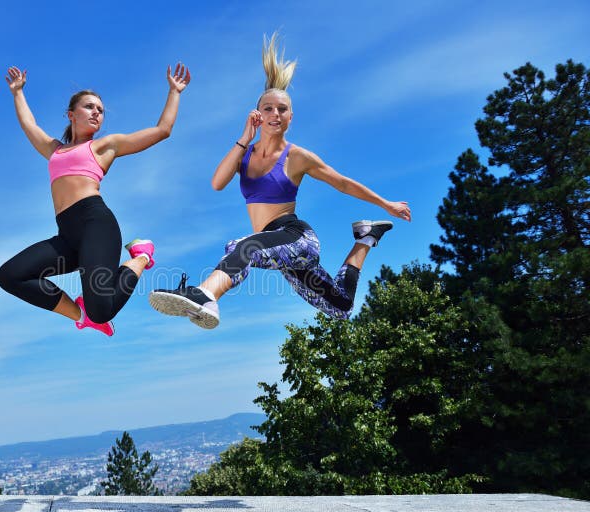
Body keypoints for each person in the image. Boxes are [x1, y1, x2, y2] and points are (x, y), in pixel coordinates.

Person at [149, 34, 410, 329]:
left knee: (243, 247)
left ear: (291, 117)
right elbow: (217, 183)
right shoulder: (244, 153)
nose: (275, 114)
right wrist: (244, 138)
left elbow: (342, 183)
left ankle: (206, 294)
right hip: (279, 253)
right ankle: (366, 237)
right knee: (340, 306)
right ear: (258, 114)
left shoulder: (296, 156)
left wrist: (386, 203)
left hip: (294, 237)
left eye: (282, 109)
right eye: (269, 108)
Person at [0, 63, 191, 336]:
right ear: (71, 115)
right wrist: (18, 93)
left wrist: (175, 92)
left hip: (95, 225)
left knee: (104, 308)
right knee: (10, 275)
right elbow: (30, 125)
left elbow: (162, 130)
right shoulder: (55, 150)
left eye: (100, 110)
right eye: (89, 107)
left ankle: (141, 257)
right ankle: (81, 315)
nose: (97, 113)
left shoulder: (104, 146)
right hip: (67, 235)